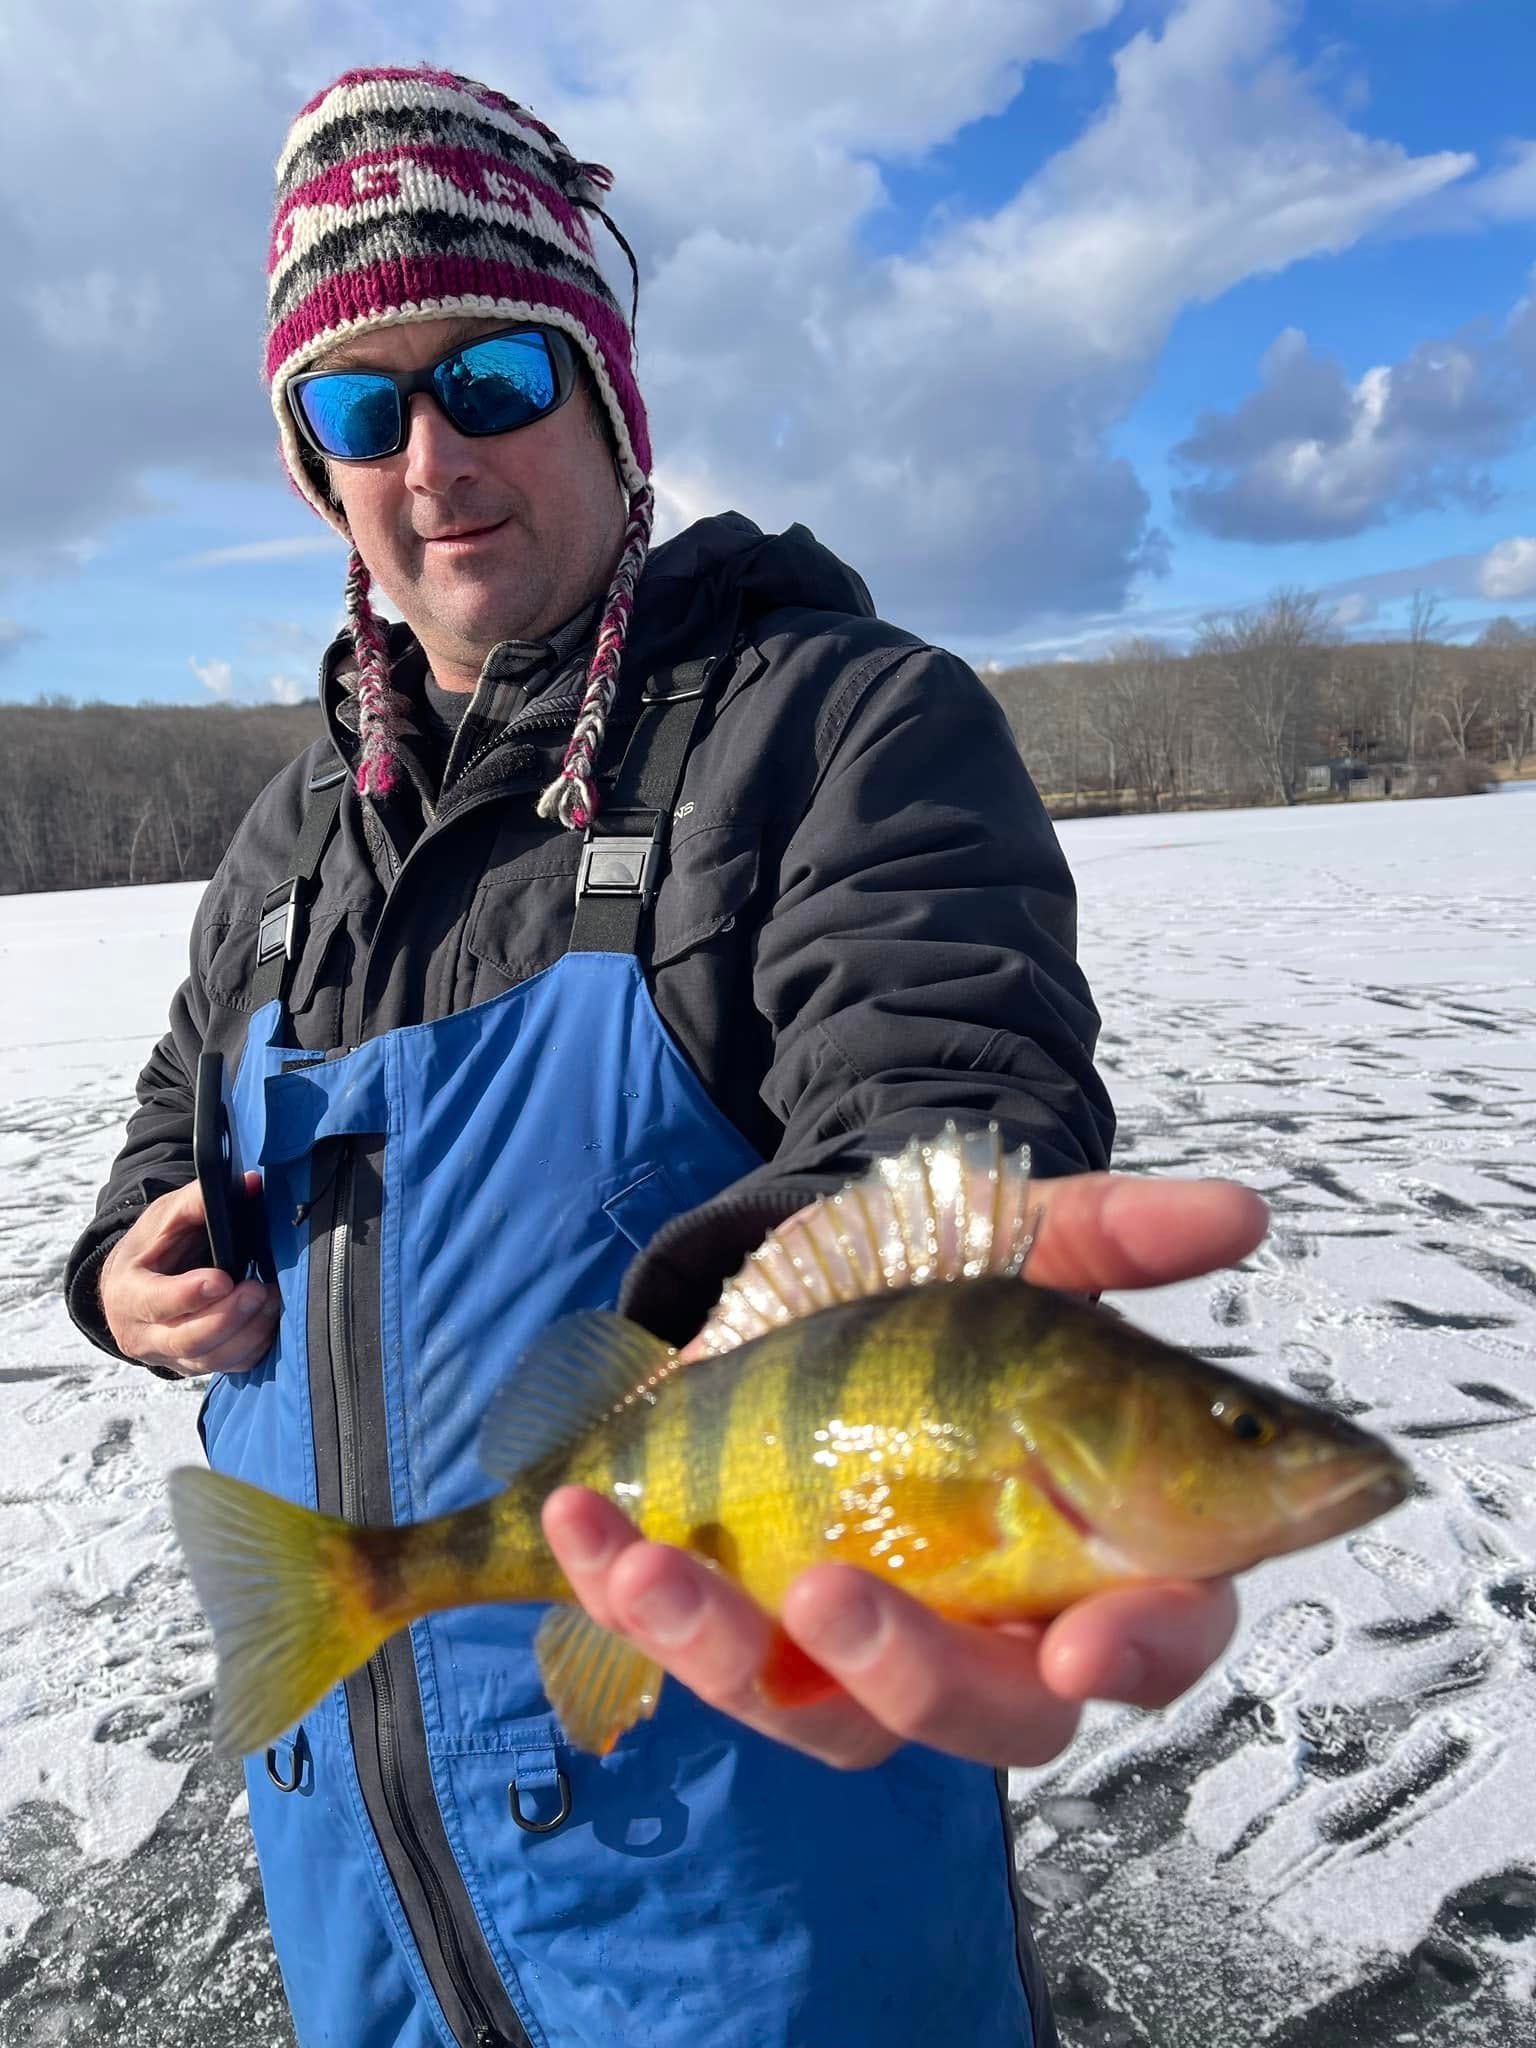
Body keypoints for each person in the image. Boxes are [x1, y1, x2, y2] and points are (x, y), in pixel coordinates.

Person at [65, 63, 1261, 2048]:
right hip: (365, 1912)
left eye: (498, 376)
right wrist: (129, 1266)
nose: (432, 455)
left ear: (612, 399)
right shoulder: (288, 844)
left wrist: (895, 1290)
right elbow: (164, 1134)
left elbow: (939, 1092)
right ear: (314, 470)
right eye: (362, 409)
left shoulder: (828, 725)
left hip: (757, 1916)